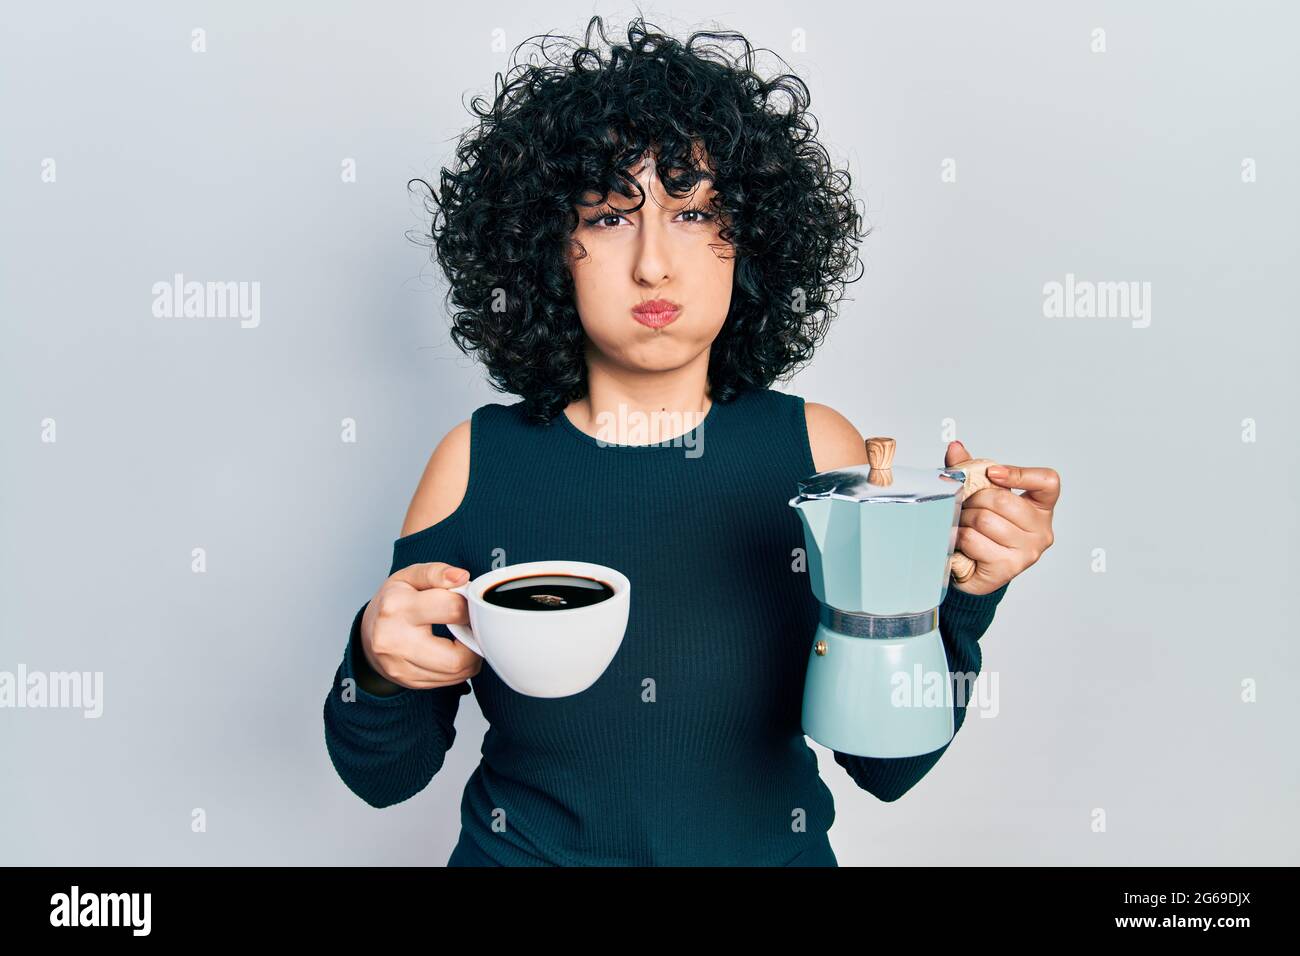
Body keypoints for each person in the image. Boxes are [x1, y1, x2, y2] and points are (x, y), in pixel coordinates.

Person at [322, 15, 1059, 866]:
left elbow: (888, 765)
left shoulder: (817, 456)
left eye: (694, 211)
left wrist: (967, 589)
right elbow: (383, 774)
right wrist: (374, 662)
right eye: (606, 217)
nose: (654, 264)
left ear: (749, 240)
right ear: (545, 250)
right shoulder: (473, 460)